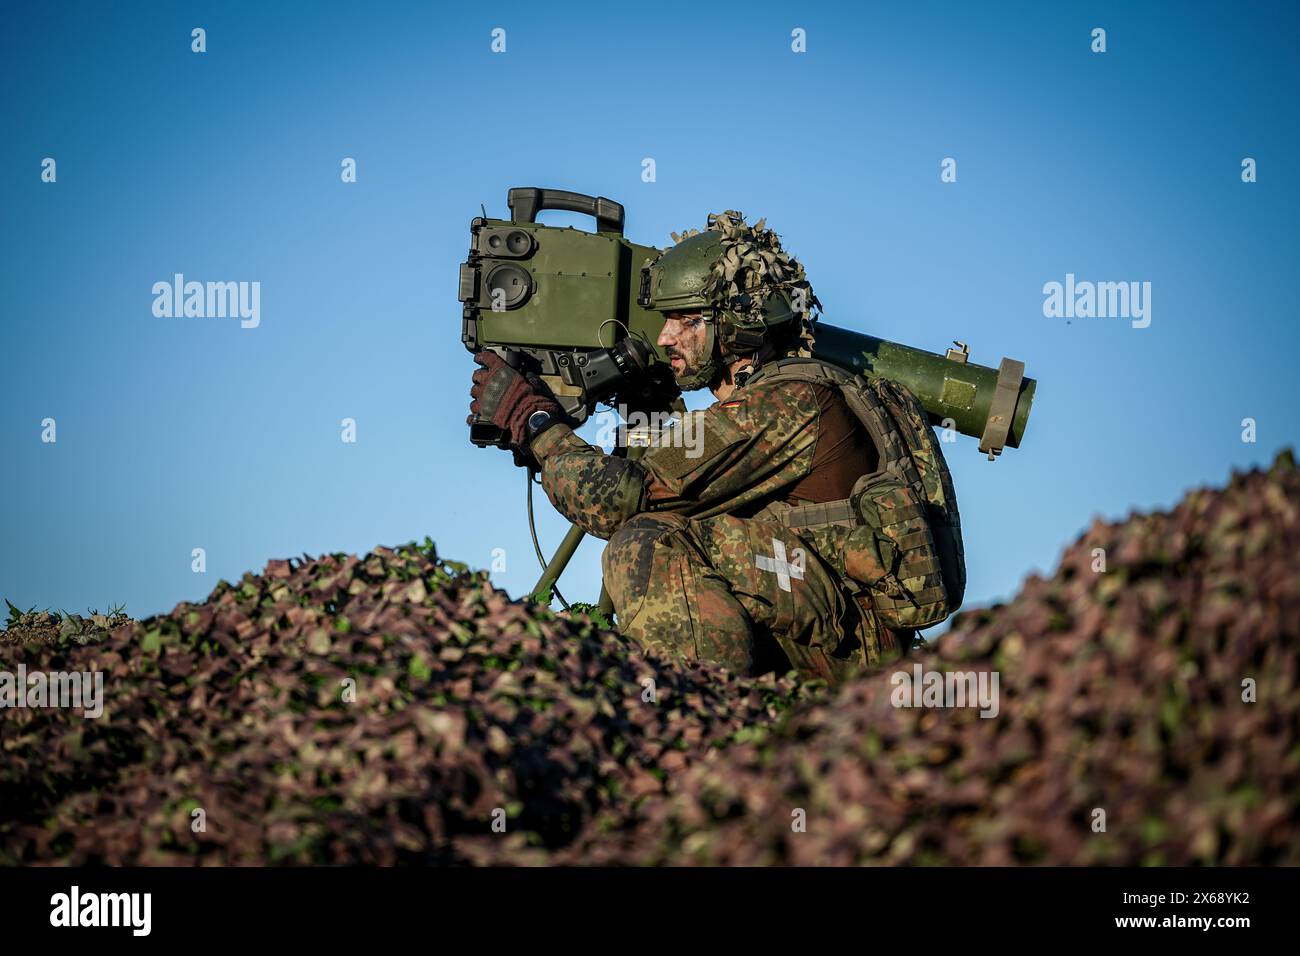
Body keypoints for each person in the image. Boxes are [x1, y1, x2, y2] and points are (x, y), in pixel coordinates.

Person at [468, 211, 903, 684]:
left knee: (647, 541)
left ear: (737, 327)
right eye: (664, 319)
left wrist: (533, 421)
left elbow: (617, 500)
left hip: (848, 654)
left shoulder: (783, 403)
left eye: (685, 321)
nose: (663, 338)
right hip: (825, 627)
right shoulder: (778, 398)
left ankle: (703, 711)